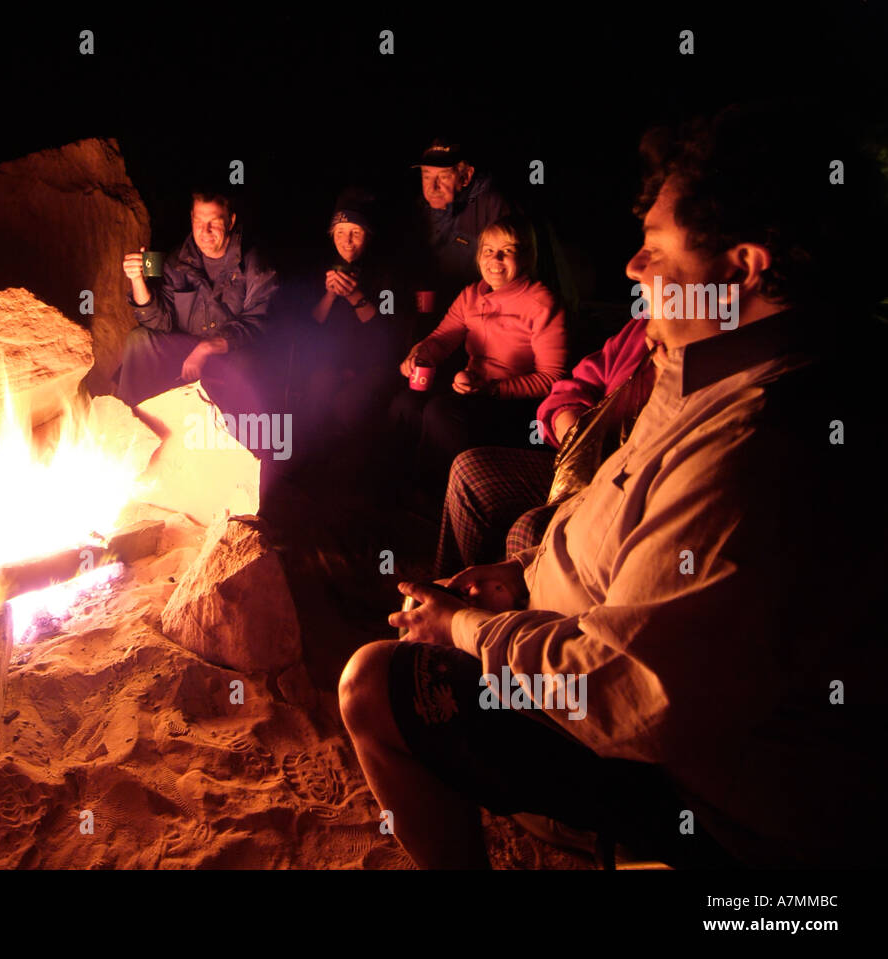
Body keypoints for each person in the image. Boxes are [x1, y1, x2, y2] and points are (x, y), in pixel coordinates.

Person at [340, 101, 888, 869]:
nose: (634, 266)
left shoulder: (763, 444)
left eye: (656, 249)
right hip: (634, 691)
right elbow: (614, 513)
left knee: (374, 684)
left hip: (718, 797)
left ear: (744, 265)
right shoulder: (695, 365)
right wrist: (520, 578)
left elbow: (623, 694)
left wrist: (463, 630)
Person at [434, 313, 655, 576]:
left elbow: (549, 377)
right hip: (579, 463)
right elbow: (576, 385)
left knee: (530, 529)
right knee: (467, 465)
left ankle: (507, 611)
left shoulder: (702, 349)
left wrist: (494, 389)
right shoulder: (644, 326)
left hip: (635, 488)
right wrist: (572, 429)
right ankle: (447, 591)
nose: (634, 270)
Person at [390, 214, 568, 497]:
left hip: (514, 404)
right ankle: (399, 491)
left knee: (441, 414)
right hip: (473, 391)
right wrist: (419, 355)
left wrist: (493, 388)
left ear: (526, 257)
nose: (495, 259)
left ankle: (447, 500)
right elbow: (441, 340)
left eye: (507, 251)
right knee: (405, 403)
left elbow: (552, 378)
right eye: (488, 250)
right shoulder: (471, 295)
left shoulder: (541, 302)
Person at [116, 190, 279, 423]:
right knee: (139, 339)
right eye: (199, 221)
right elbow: (159, 322)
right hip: (186, 351)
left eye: (214, 222)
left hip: (230, 354)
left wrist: (206, 348)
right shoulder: (177, 261)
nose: (205, 231)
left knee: (246, 367)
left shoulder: (254, 264)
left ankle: (234, 444)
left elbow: (257, 323)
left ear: (231, 221)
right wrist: (137, 279)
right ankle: (128, 425)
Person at [300, 190, 402, 450]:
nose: (347, 241)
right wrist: (331, 295)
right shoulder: (320, 268)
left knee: (349, 406)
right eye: (340, 232)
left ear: (368, 235)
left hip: (372, 364)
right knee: (316, 390)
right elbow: (310, 324)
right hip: (331, 360)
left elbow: (386, 331)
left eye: (355, 233)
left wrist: (355, 296)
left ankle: (357, 463)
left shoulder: (386, 274)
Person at [404, 139, 512, 339]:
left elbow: (510, 274)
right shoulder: (418, 209)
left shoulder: (492, 206)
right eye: (426, 176)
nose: (433, 186)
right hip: (429, 315)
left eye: (443, 176)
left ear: (466, 176)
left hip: (477, 321)